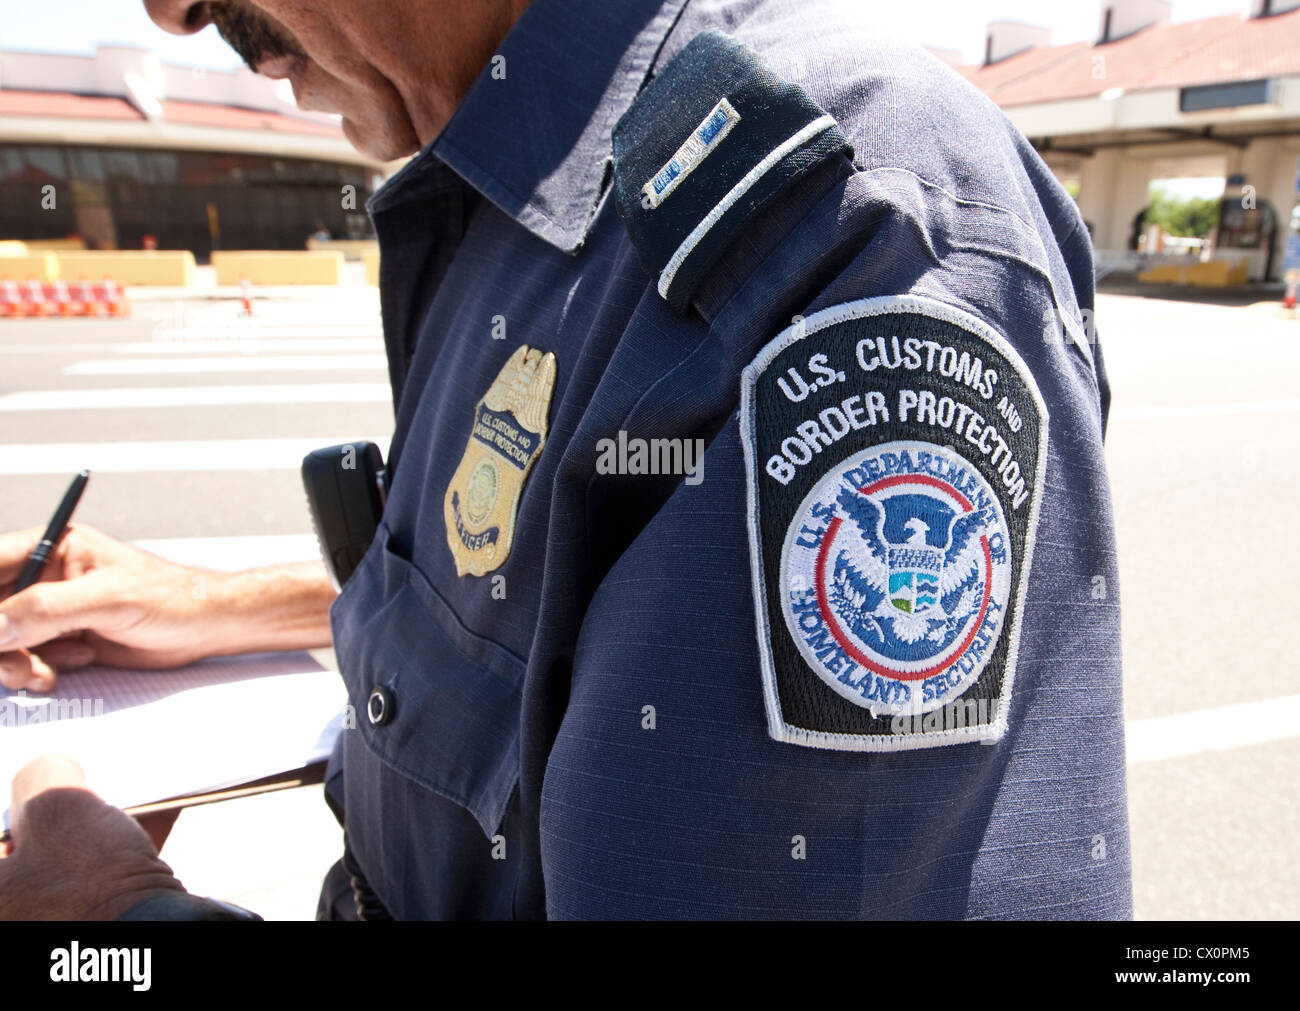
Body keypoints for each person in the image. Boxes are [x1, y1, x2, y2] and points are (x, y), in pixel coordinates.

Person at [0, 0, 1132, 920]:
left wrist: (119, 932)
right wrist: (213, 607)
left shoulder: (830, 214)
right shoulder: (514, 186)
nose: (174, 13)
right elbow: (541, 593)